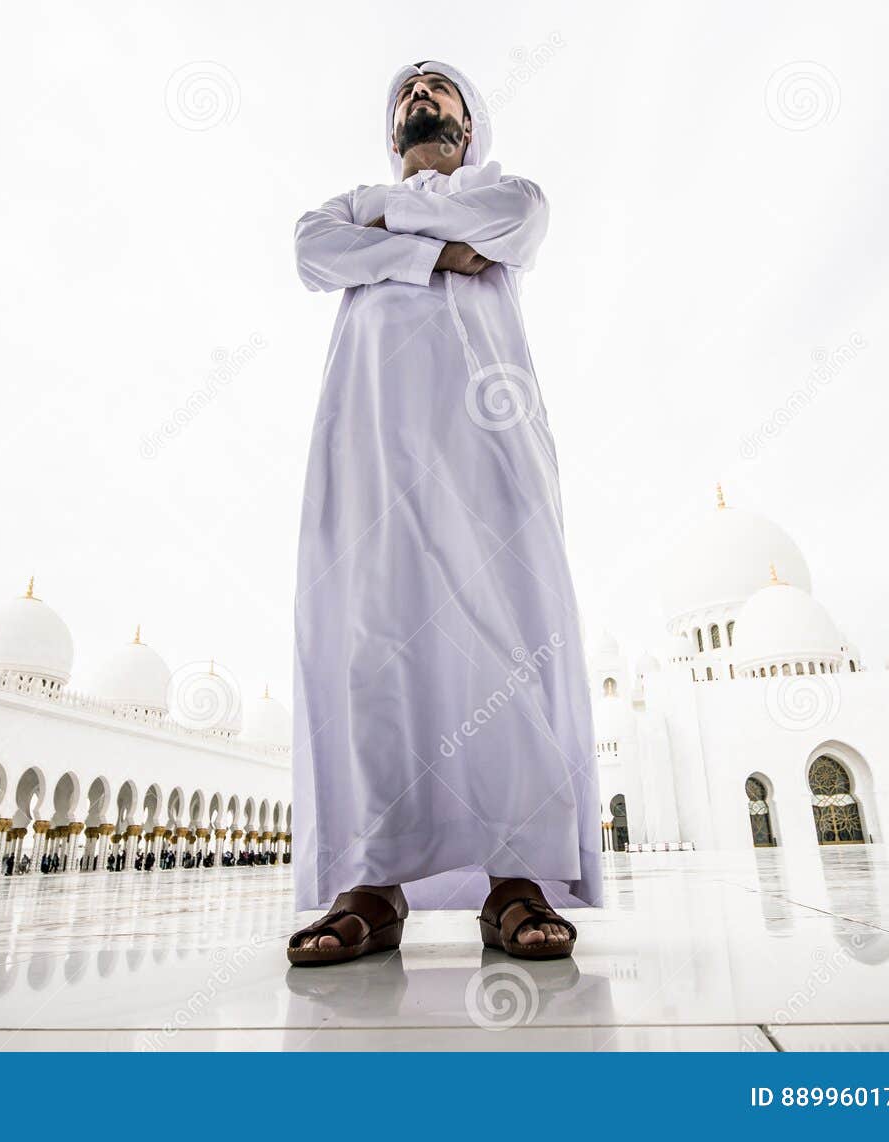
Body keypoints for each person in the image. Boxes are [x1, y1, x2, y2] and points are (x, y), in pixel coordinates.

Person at [288, 61, 598, 967]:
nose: (421, 97)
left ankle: (516, 880)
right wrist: (434, 254)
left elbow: (510, 228)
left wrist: (386, 236)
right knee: (373, 640)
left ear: (473, 123)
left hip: (489, 441)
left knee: (506, 637)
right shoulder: (344, 203)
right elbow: (311, 251)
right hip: (373, 444)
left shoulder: (507, 191)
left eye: (439, 89)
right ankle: (371, 887)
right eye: (407, 95)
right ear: (393, 135)